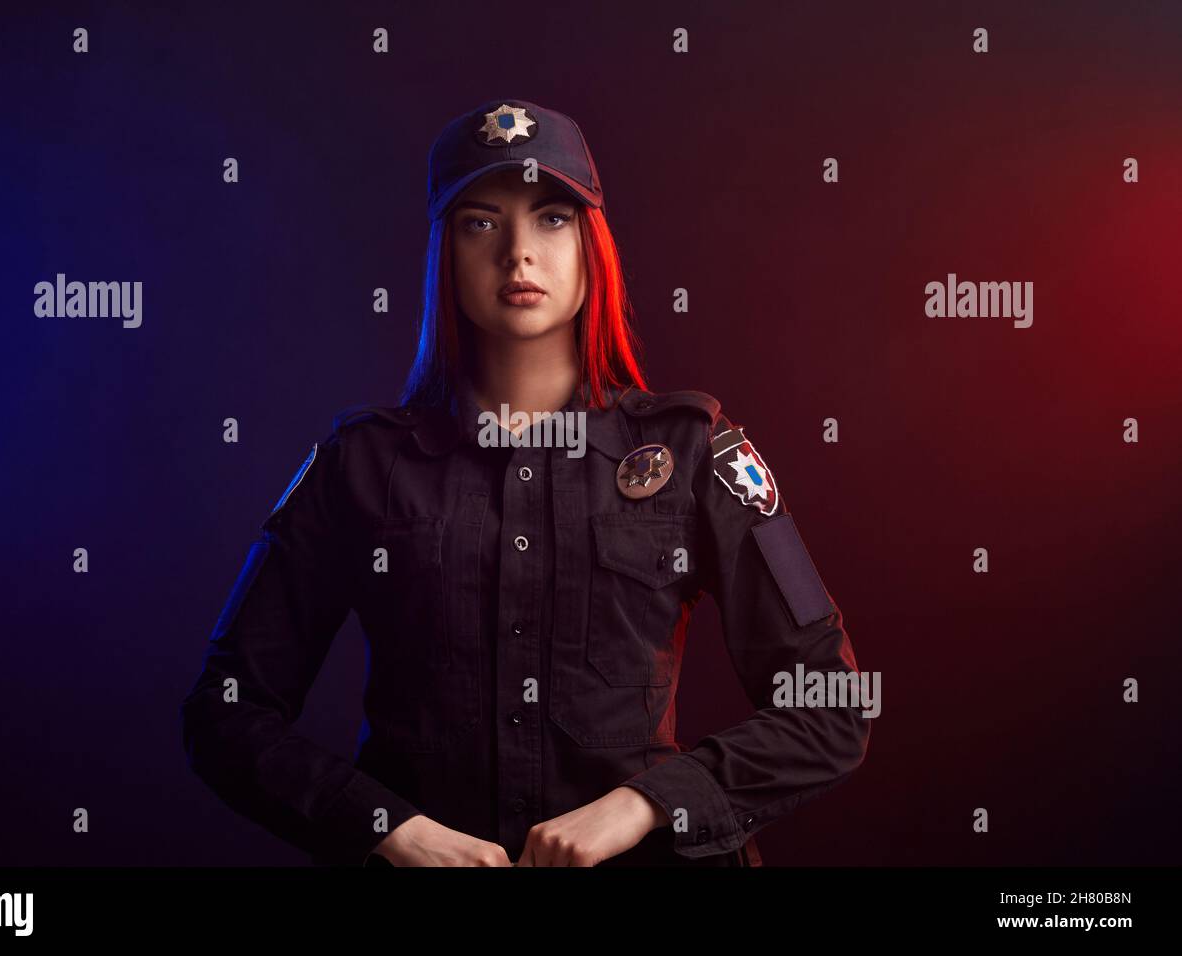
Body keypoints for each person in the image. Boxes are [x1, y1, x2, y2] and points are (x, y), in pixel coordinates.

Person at [180, 98, 871, 867]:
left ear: (591, 244)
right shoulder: (362, 464)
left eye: (551, 218)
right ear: (445, 252)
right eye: (481, 221)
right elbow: (225, 712)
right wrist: (384, 828)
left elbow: (832, 707)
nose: (518, 254)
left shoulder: (694, 449)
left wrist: (646, 803)